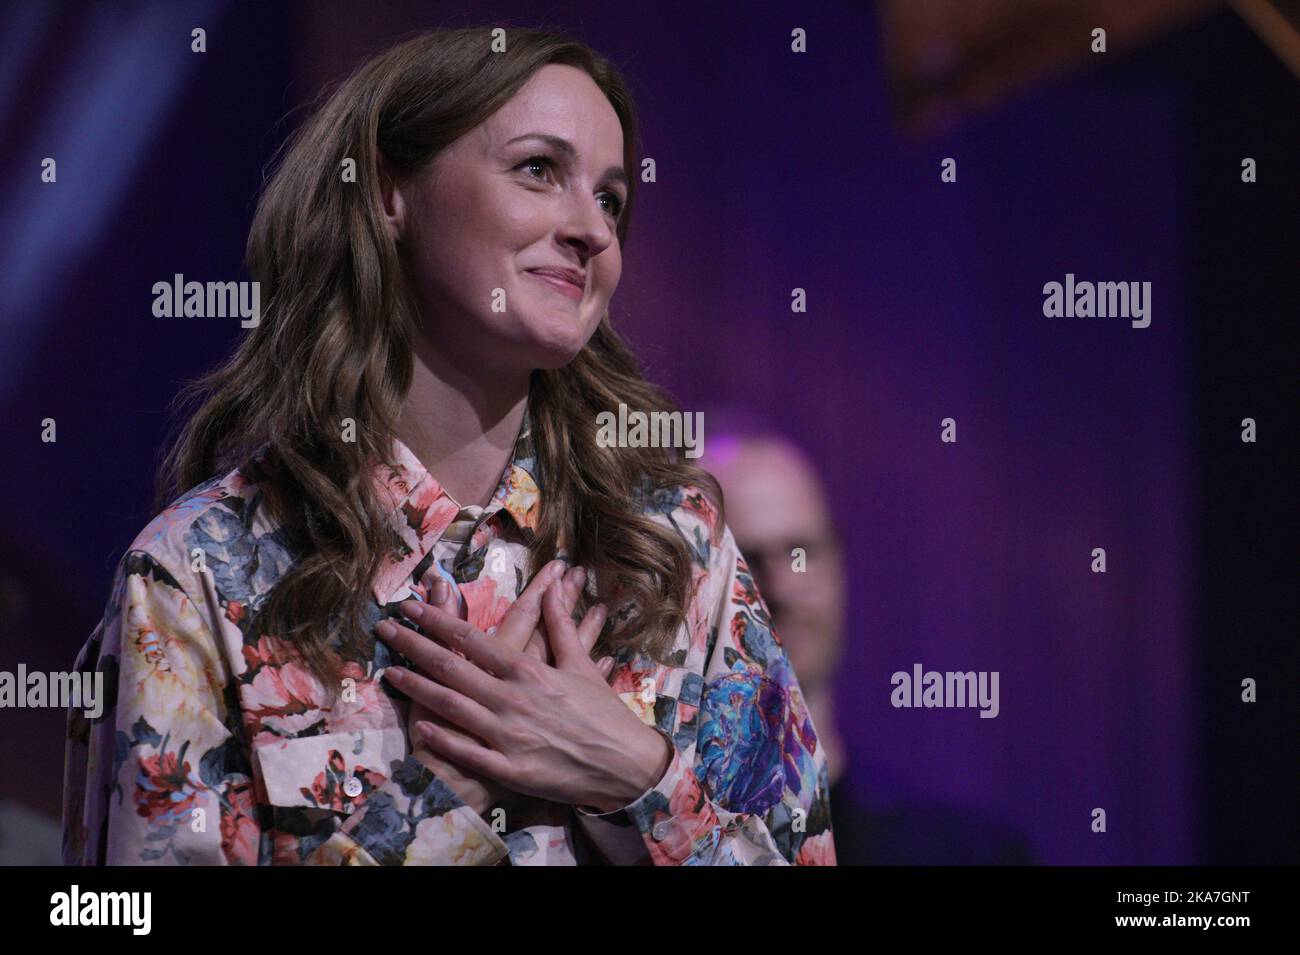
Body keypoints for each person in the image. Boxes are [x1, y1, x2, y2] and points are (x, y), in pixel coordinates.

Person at [60, 27, 836, 866]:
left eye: (611, 198)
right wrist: (436, 808)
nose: (593, 230)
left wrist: (637, 779)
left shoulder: (675, 548)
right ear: (390, 192)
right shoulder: (198, 574)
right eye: (540, 169)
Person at [700, 416, 1034, 864]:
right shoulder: (637, 845)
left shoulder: (972, 854)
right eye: (745, 560)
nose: (780, 587)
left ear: (838, 563)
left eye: (803, 552)